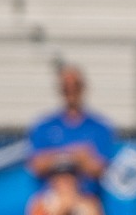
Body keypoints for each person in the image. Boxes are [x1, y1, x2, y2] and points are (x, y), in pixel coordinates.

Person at [27, 65, 119, 195]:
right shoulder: (44, 127)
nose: (71, 91)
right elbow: (37, 165)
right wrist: (76, 156)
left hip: (86, 197)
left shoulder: (99, 128)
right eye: (66, 87)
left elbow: (100, 169)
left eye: (75, 86)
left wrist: (55, 159)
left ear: (83, 88)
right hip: (50, 198)